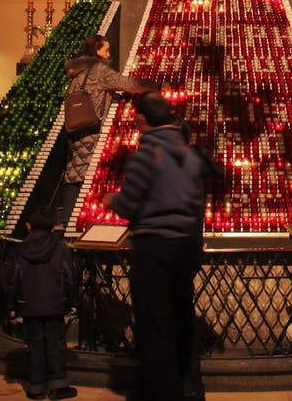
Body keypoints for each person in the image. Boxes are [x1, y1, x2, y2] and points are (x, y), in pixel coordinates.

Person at [104, 91, 206, 401]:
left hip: (154, 247)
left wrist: (112, 200)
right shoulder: (188, 153)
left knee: (155, 323)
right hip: (186, 245)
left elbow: (130, 202)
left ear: (141, 119)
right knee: (181, 317)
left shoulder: (148, 153)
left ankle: (162, 392)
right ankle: (190, 387)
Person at [62, 34, 158, 224]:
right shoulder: (97, 70)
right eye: (106, 50)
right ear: (97, 51)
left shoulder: (77, 74)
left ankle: (68, 221)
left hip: (77, 132)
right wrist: (155, 86)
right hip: (93, 132)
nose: (108, 55)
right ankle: (76, 222)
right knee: (86, 176)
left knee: (75, 171)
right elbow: (126, 84)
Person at [7, 205, 77, 400]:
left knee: (35, 345)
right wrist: (72, 301)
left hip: (29, 305)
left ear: (28, 226)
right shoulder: (60, 248)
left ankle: (36, 387)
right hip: (55, 303)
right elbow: (69, 276)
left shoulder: (21, 248)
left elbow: (13, 279)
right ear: (53, 227)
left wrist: (12, 306)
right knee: (55, 344)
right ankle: (57, 385)